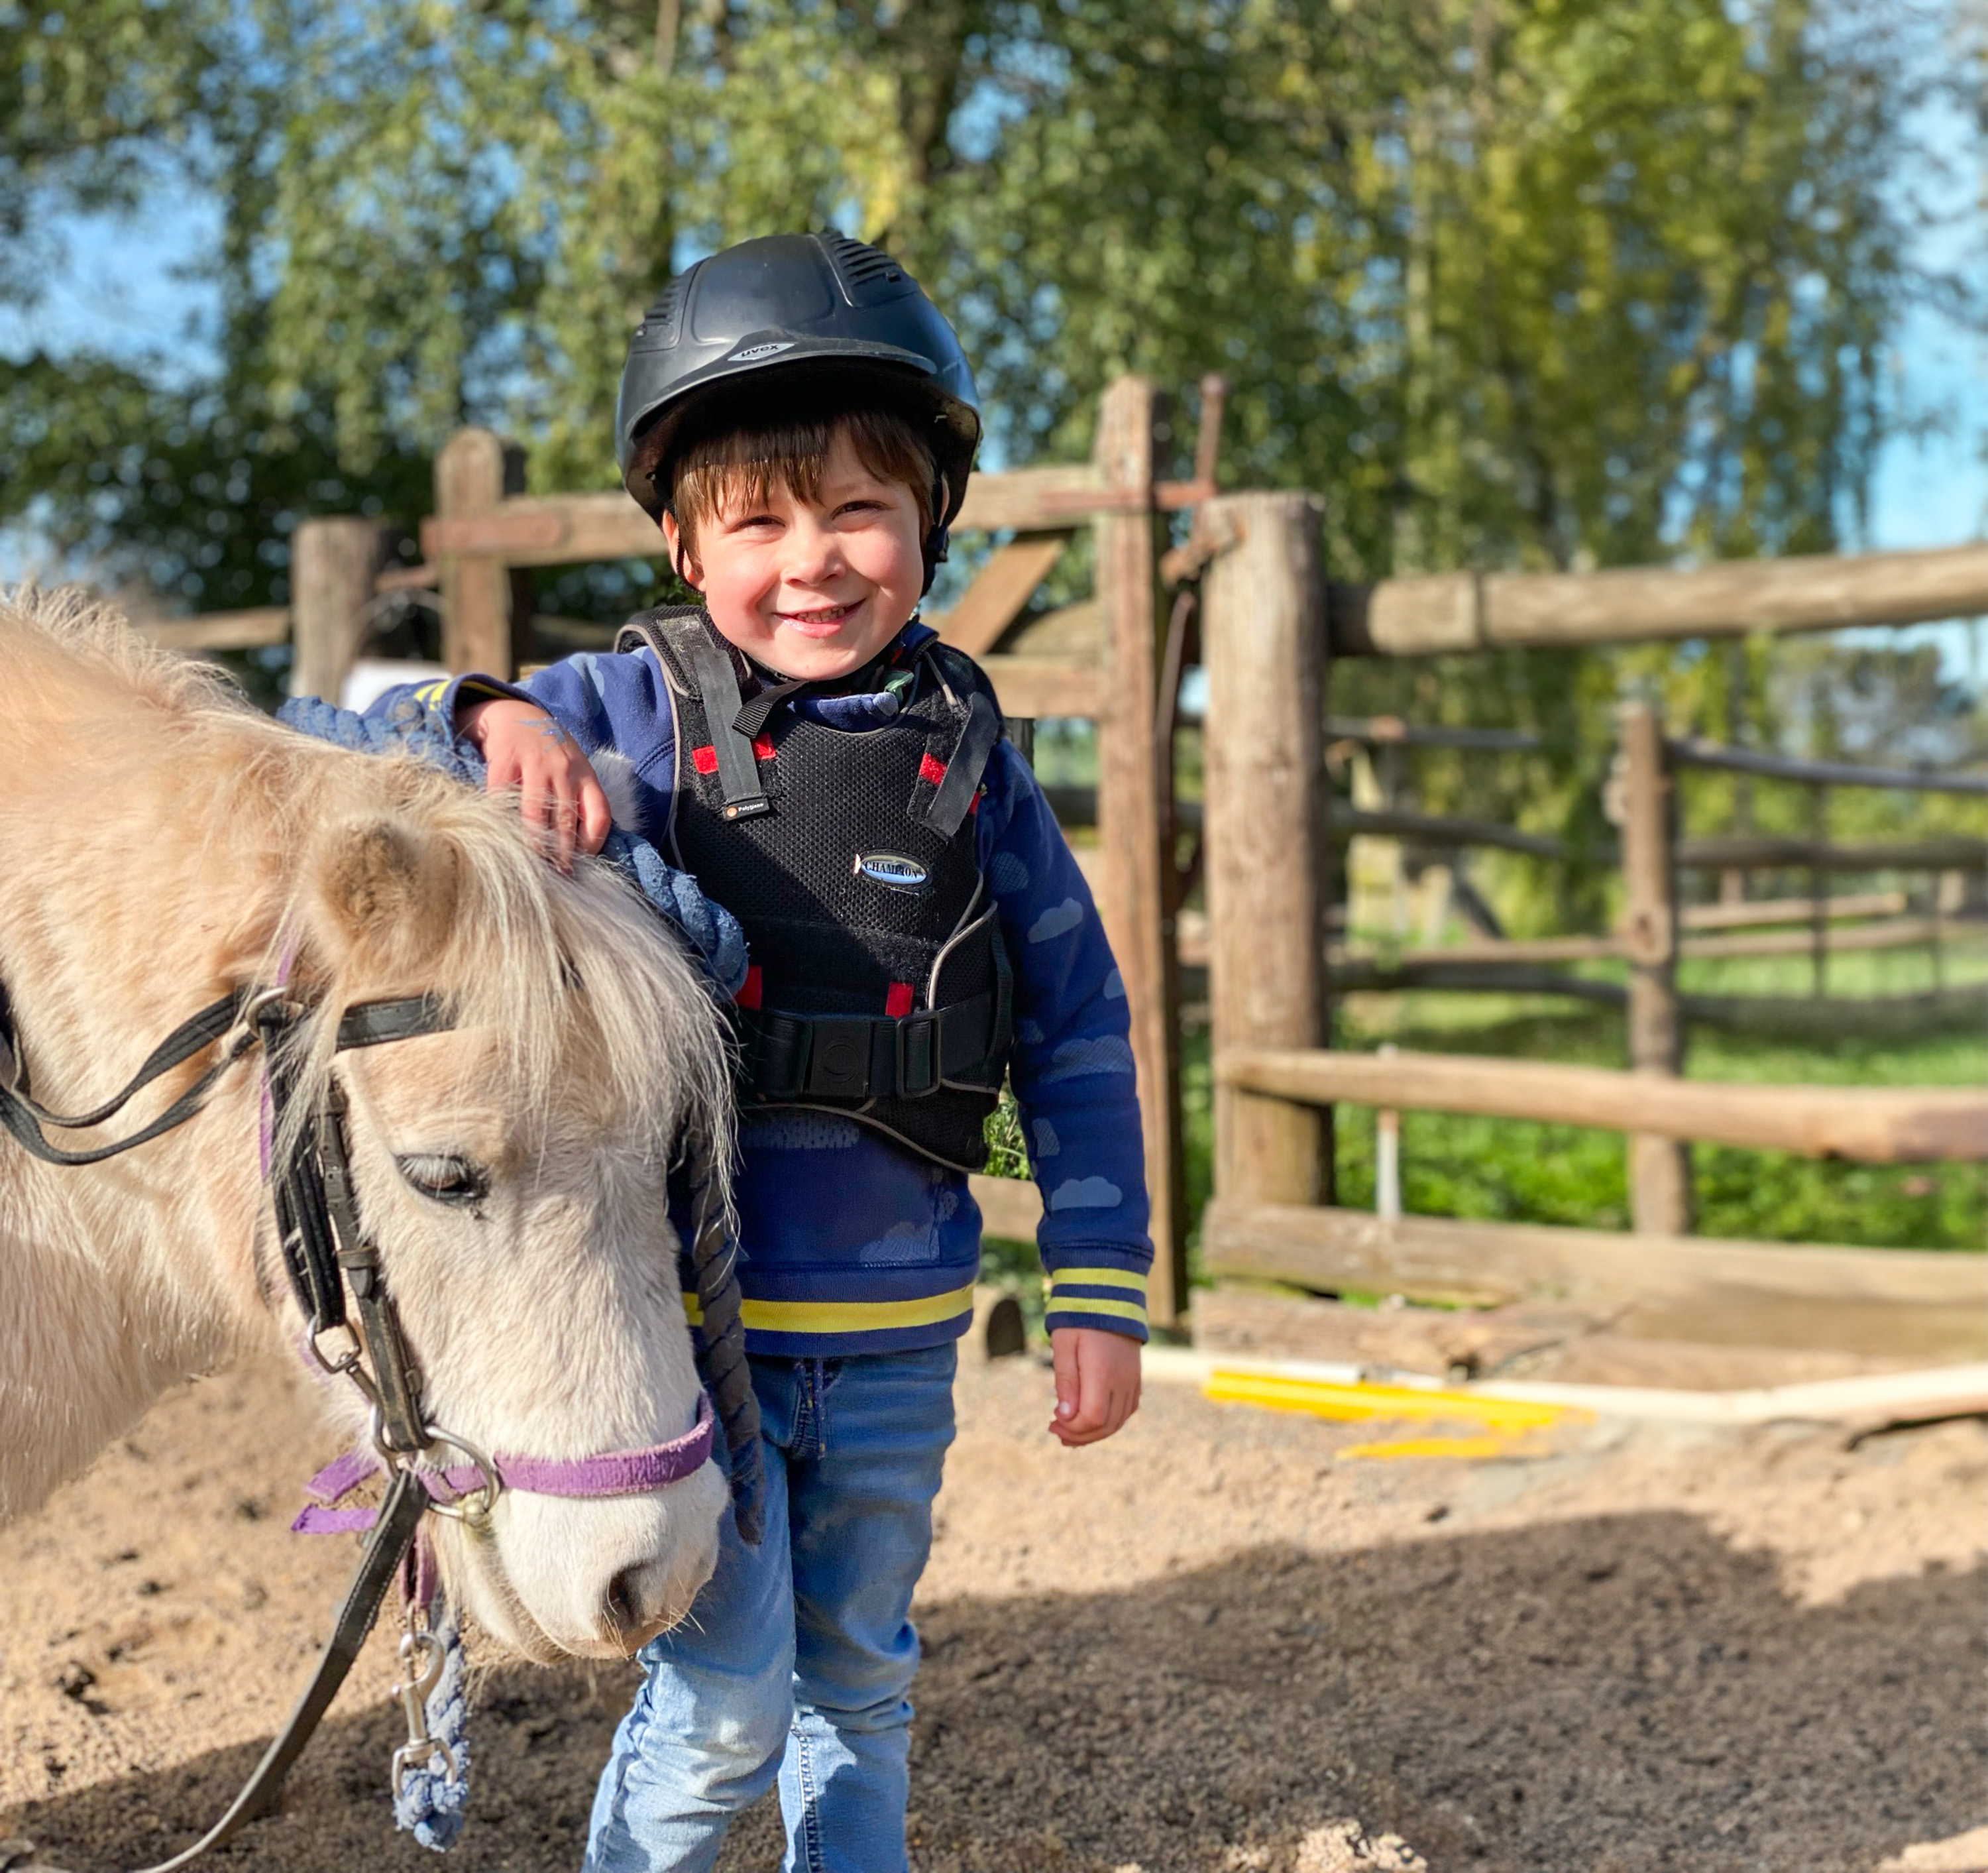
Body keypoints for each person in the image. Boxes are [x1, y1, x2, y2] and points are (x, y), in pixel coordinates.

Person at [373, 231, 1150, 1873]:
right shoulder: (628, 713)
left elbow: (1078, 1027)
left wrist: (1098, 1282)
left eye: (861, 508)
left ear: (931, 522)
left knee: (861, 1681)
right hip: (687, 1340)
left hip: (898, 1335)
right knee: (726, 1701)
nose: (814, 559)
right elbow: (343, 729)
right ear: (681, 539)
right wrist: (485, 713)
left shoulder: (973, 763)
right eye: (758, 521)